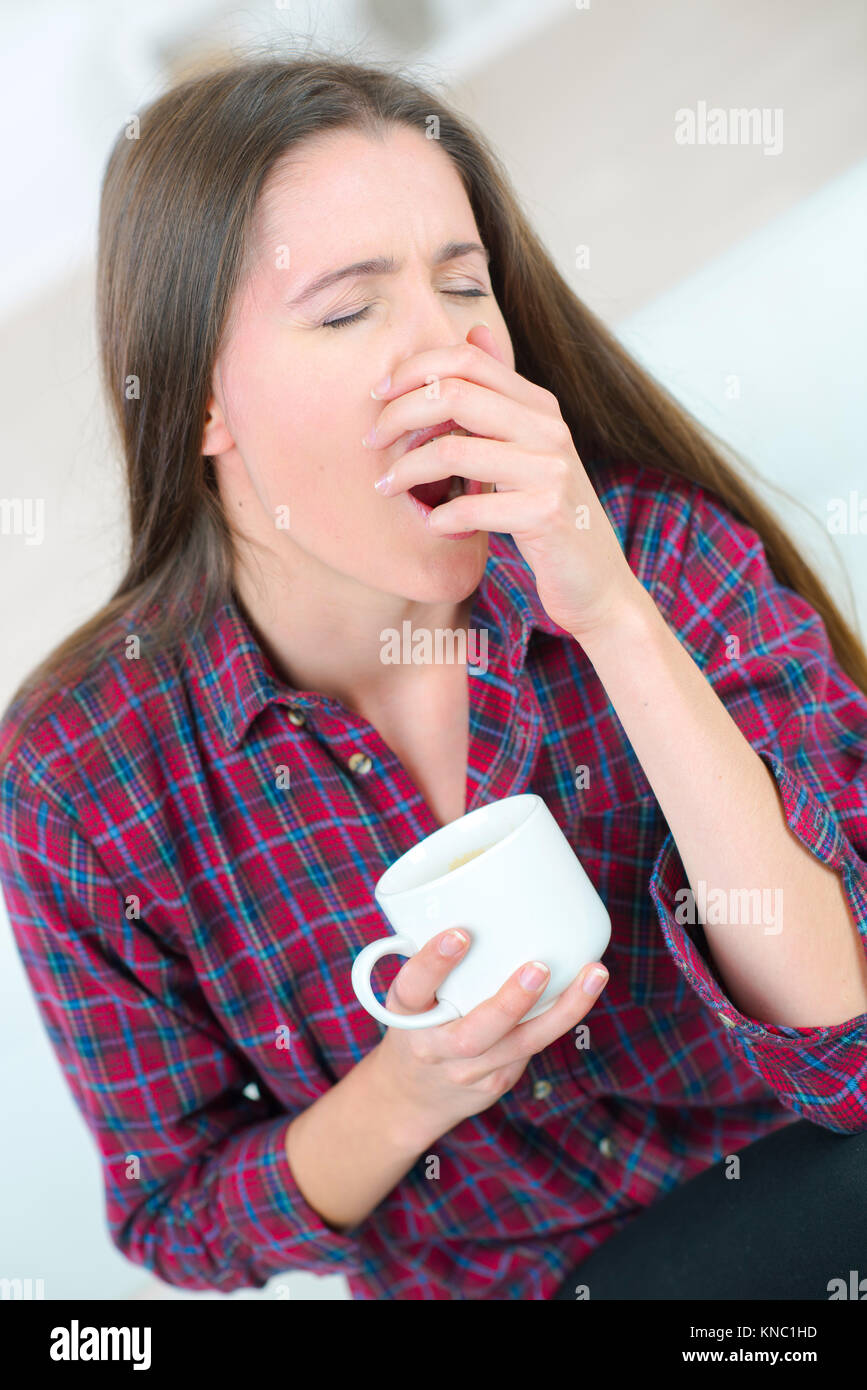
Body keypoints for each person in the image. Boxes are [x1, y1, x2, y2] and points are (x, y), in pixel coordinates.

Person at [1, 52, 866, 1303]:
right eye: (349, 310)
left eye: (465, 289)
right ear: (199, 396)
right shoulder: (85, 778)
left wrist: (616, 618)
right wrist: (410, 1090)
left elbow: (844, 1031)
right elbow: (179, 1216)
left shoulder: (660, 559)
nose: (447, 360)